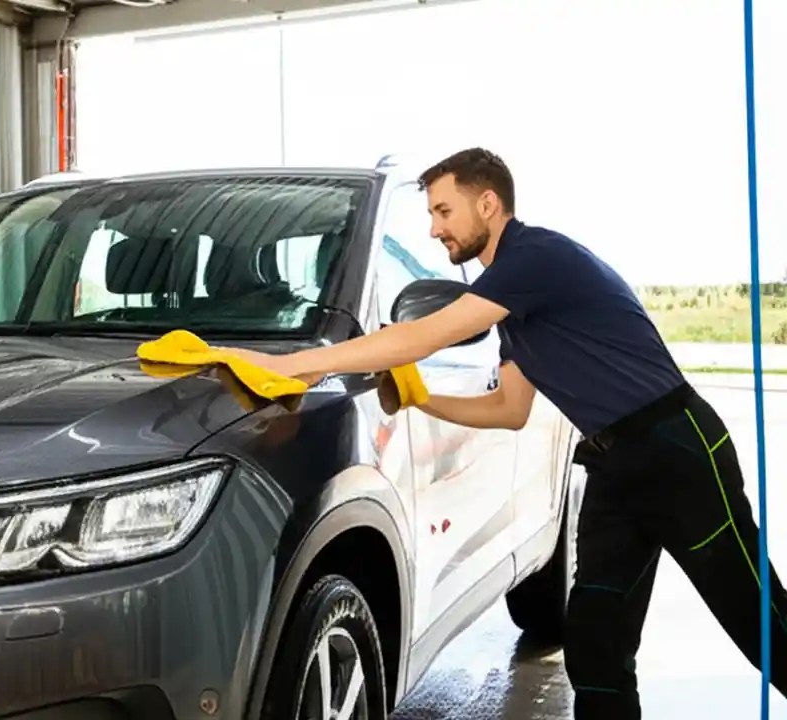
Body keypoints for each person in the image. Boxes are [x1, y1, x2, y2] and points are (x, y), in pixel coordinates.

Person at [230, 147, 787, 718]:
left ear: (488, 203)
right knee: (596, 647)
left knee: (759, 622)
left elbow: (424, 335)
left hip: (677, 449)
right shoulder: (515, 310)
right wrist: (425, 399)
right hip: (615, 468)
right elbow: (509, 408)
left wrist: (295, 365)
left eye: (444, 211)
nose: (433, 229)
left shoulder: (533, 258)